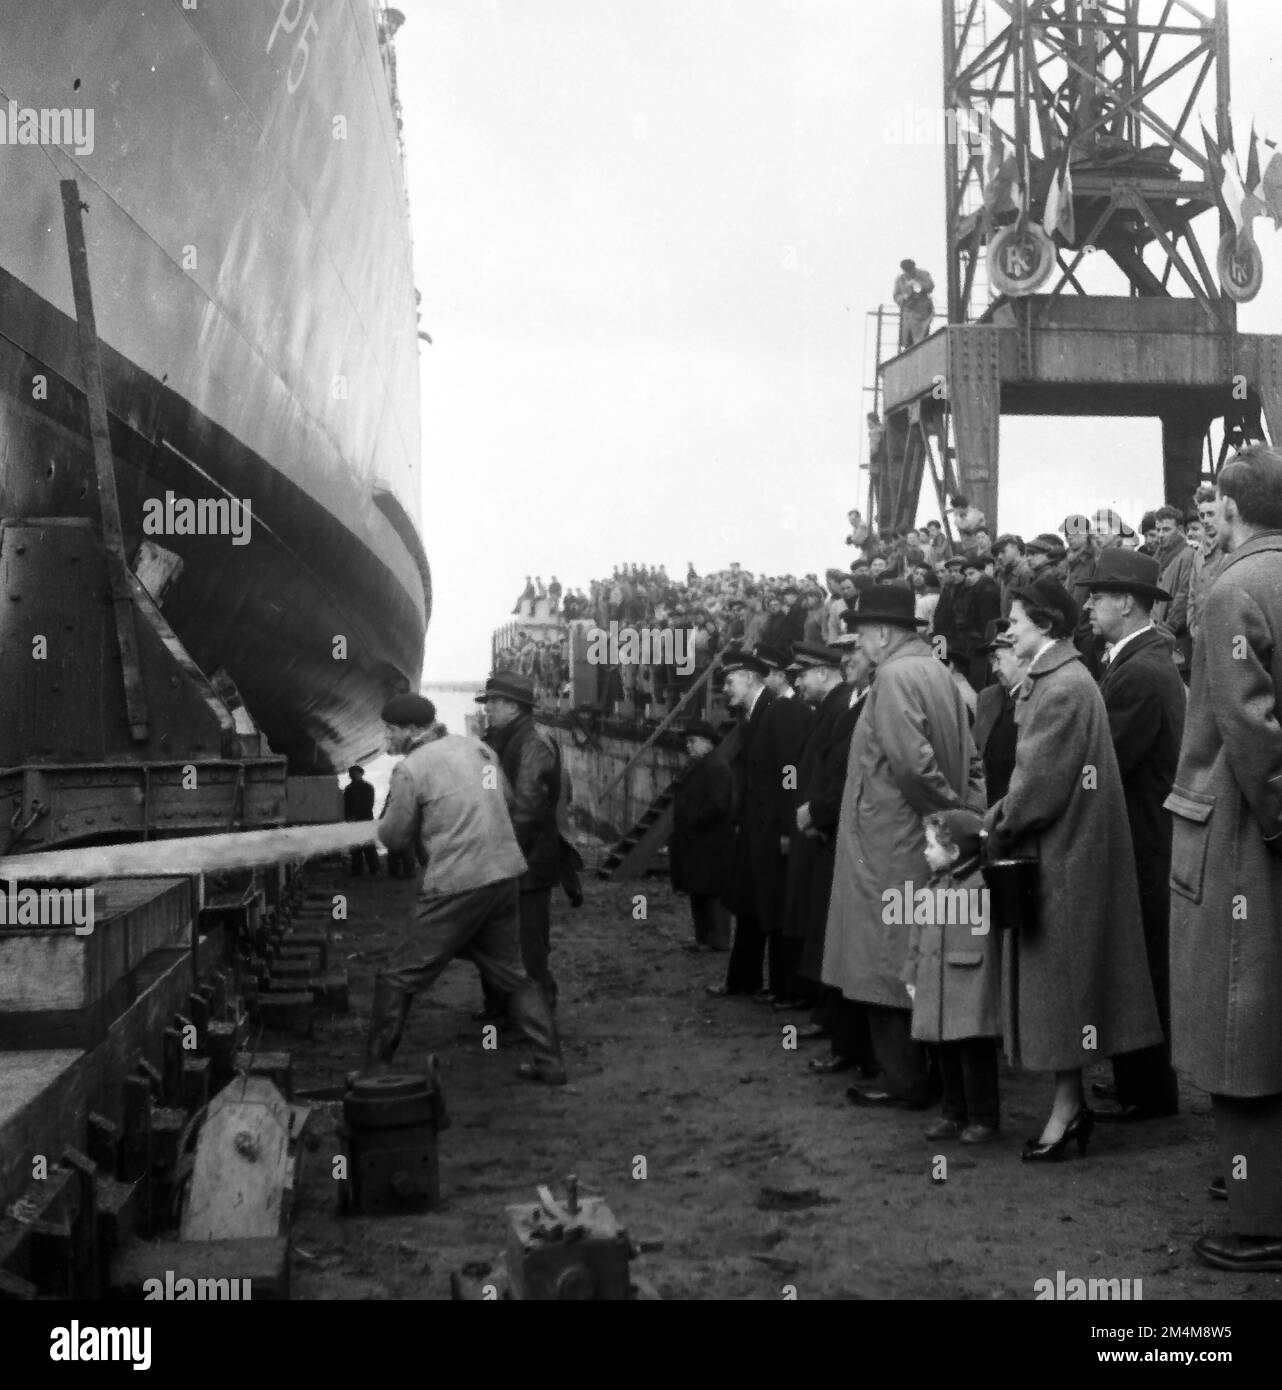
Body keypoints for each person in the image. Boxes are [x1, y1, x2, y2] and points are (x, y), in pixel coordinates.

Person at [985, 577, 1162, 1159]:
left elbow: (1037, 790)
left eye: (1015, 620)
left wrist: (991, 826)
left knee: (1060, 992)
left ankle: (1068, 1111)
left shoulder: (1058, 687)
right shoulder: (1060, 678)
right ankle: (1069, 1106)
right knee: (1063, 993)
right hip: (1063, 857)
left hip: (1061, 863)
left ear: (1045, 624)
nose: (1008, 630)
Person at [1168, 444, 1282, 1272]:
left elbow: (1247, 729)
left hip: (1248, 838)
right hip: (1258, 828)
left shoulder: (1230, 588)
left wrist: (1278, 820)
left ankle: (1261, 1223)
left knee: (1243, 1034)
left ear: (1231, 509)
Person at [823, 583, 985, 1110]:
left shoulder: (892, 677)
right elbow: (971, 756)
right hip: (919, 840)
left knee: (886, 963)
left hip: (891, 842)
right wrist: (967, 816)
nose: (859, 644)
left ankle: (906, 1081)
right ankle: (930, 1079)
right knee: (917, 956)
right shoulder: (938, 673)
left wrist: (946, 817)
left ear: (885, 633)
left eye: (864, 634)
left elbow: (913, 767)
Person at [359, 693, 567, 1085]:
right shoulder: (478, 748)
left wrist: (389, 827)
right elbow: (505, 800)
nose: (385, 737)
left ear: (411, 731)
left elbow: (395, 837)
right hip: (504, 875)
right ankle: (550, 1062)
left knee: (397, 977)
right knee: (515, 974)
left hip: (457, 883)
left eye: (390, 730)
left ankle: (375, 1070)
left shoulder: (411, 768)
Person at [1082, 548, 1184, 1123]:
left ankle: (1149, 1094)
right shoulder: (1138, 662)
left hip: (1143, 844)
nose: (1090, 604)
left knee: (1142, 965)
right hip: (1146, 839)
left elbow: (1106, 763)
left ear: (1126, 602)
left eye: (1098, 595)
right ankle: (1137, 1084)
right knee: (1139, 961)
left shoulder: (1140, 672)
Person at [905, 809, 1001, 1144]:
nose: (926, 851)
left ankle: (983, 1117)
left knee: (975, 1056)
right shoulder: (932, 887)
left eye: (931, 845)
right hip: (938, 984)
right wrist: (911, 974)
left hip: (970, 982)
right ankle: (953, 1113)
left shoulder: (983, 887)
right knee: (946, 1055)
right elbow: (917, 935)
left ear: (955, 851)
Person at [476, 672, 564, 1014]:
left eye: (495, 703)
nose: (489, 709)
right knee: (498, 940)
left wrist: (505, 858)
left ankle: (539, 1019)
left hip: (524, 864)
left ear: (514, 706)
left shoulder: (530, 743)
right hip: (508, 859)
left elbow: (527, 811)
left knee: (529, 949)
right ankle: (501, 1010)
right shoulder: (503, 738)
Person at [669, 720, 733, 953]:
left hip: (710, 841)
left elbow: (718, 804)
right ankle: (703, 938)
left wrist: (695, 821)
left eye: (692, 741)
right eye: (687, 742)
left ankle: (718, 938)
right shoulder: (700, 765)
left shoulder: (716, 768)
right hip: (697, 841)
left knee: (713, 891)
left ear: (707, 743)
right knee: (698, 890)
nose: (689, 746)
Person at [971, 619, 1023, 803]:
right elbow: (976, 750)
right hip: (990, 801)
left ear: (1019, 656)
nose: (994, 669)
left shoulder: (1040, 697)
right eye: (991, 661)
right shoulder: (987, 697)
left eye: (998, 660)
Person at [343, 765, 379, 876]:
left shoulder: (365, 788)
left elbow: (368, 804)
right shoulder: (351, 789)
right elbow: (346, 806)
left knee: (367, 847)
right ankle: (360, 870)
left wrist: (352, 817)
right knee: (357, 848)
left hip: (364, 820)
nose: (353, 776)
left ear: (360, 773)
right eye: (351, 774)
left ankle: (372, 870)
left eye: (354, 773)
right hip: (360, 820)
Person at [894, 258, 935, 348]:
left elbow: (931, 286)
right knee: (908, 340)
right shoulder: (900, 279)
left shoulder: (923, 274)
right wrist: (904, 297)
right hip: (908, 312)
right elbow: (896, 296)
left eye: (910, 271)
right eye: (906, 271)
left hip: (922, 311)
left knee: (922, 338)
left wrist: (918, 285)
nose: (909, 273)